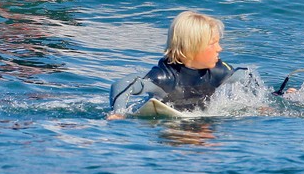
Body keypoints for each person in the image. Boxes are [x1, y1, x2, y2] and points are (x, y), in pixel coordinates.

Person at [108, 11, 252, 115]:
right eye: (212, 44)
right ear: (192, 47)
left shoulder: (218, 72)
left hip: (203, 122)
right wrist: (118, 113)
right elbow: (122, 85)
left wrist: (260, 105)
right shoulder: (165, 77)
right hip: (169, 125)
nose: (219, 48)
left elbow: (246, 75)